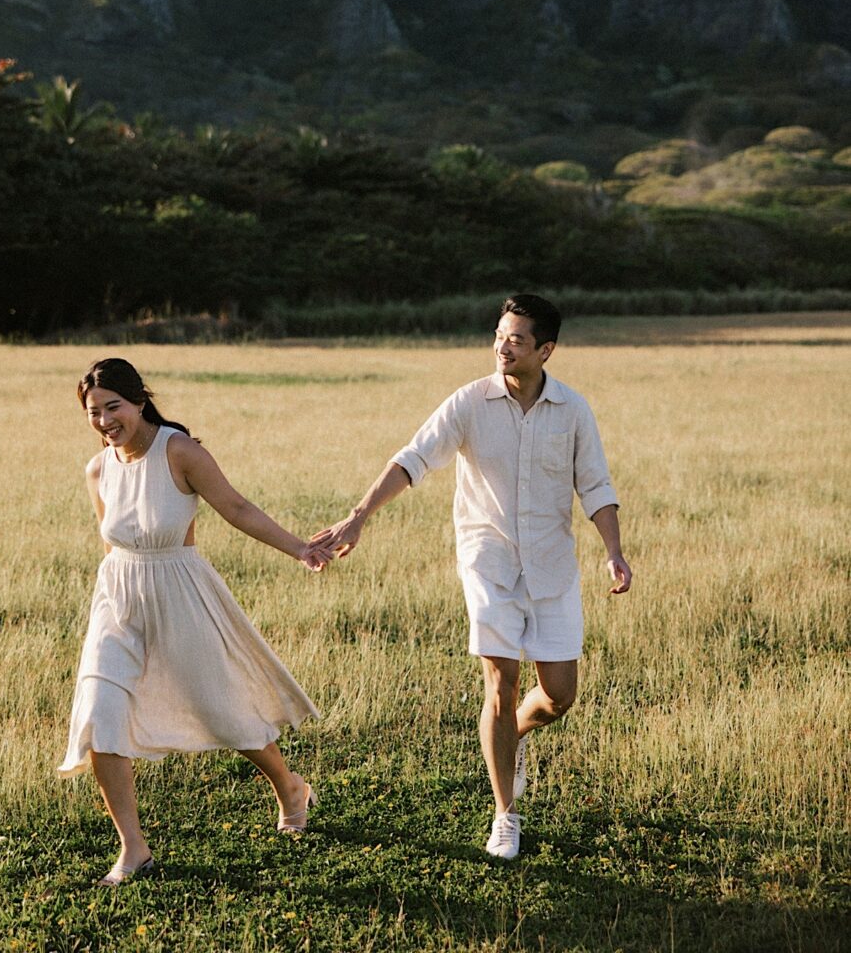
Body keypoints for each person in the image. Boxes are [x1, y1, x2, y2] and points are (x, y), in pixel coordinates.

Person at [310, 293, 631, 862]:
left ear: (546, 350)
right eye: (499, 335)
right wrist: (359, 516)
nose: (502, 347)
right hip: (488, 563)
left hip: (552, 565)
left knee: (560, 695)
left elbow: (597, 486)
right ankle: (505, 814)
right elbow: (413, 459)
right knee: (500, 685)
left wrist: (614, 552)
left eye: (516, 339)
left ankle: (512, 742)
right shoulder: (468, 402)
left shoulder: (574, 410)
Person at [58, 357, 327, 884]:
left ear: (138, 401)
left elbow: (237, 507)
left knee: (223, 712)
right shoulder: (98, 469)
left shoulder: (178, 451)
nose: (105, 420)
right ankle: (133, 849)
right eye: (93, 412)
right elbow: (112, 539)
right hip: (117, 596)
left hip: (179, 592)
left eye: (113, 407)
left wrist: (300, 548)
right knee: (101, 713)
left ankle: (289, 786)